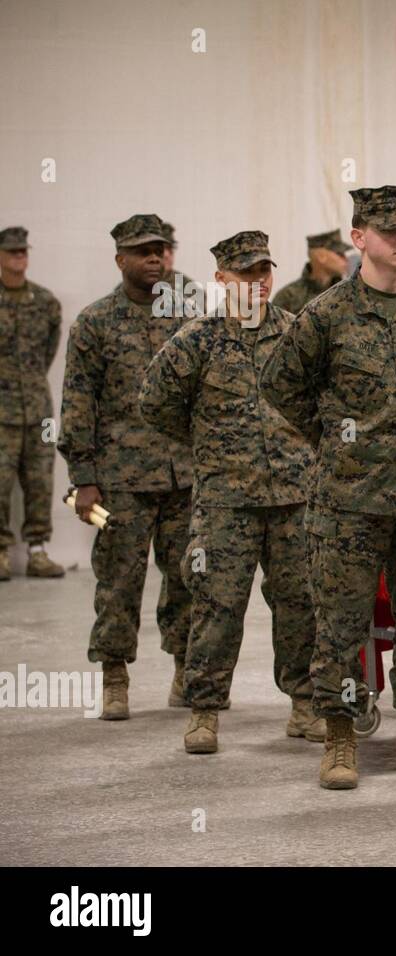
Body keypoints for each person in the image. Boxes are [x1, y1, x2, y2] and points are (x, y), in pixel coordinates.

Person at [261, 185, 396, 789]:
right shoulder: (326, 315)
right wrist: (335, 439)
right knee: (341, 622)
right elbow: (282, 387)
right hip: (349, 502)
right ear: (360, 240)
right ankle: (339, 737)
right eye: (388, 232)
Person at [139, 230, 319, 752]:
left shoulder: (295, 333)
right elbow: (155, 403)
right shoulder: (197, 340)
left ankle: (305, 703)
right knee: (217, 606)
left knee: (301, 604)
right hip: (226, 502)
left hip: (293, 497)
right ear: (221, 279)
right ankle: (204, 711)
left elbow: (320, 401)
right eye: (245, 273)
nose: (257, 282)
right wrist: (207, 445)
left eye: (263, 271)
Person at [59, 214, 194, 720]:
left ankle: (186, 669)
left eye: (162, 249)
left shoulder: (190, 317)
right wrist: (84, 479)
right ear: (121, 260)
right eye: (144, 251)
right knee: (118, 582)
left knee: (188, 577)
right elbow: (77, 403)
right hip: (122, 480)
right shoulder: (96, 322)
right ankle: (115, 675)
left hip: (186, 475)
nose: (156, 259)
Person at [0, 225, 64, 580]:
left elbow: (49, 349)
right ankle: (1, 551)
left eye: (23, 251)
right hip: (1, 411)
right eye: (12, 252)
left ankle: (38, 550)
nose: (19, 257)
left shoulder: (44, 301)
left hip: (39, 410)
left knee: (41, 480)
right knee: (0, 482)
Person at [271, 230, 351, 315]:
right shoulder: (289, 297)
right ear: (321, 256)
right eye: (340, 254)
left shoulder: (349, 292)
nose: (345, 259)